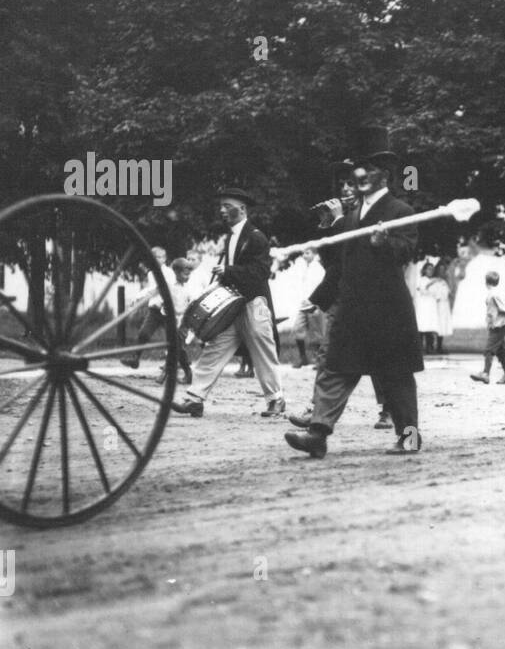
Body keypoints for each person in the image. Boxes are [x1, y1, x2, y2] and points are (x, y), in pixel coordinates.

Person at [284, 128, 424, 457]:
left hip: (388, 311)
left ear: (385, 175)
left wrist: (384, 242)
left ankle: (410, 437)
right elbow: (339, 267)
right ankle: (317, 435)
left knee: (397, 379)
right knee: (336, 371)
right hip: (352, 309)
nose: (359, 175)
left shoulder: (400, 211)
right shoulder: (348, 220)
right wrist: (316, 297)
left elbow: (406, 252)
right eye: (357, 169)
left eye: (368, 169)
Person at [170, 187, 286, 418]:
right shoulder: (232, 237)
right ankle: (194, 398)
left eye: (227, 206)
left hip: (254, 304)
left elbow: (261, 272)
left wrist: (228, 271)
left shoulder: (256, 237)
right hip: (233, 305)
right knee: (215, 348)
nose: (222, 210)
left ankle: (276, 400)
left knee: (263, 352)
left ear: (242, 209)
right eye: (221, 206)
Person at [121, 256, 195, 385]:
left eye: (189, 274)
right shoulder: (169, 285)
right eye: (184, 273)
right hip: (170, 319)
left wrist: (188, 324)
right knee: (174, 347)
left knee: (178, 347)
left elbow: (192, 307)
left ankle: (175, 372)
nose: (187, 276)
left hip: (182, 321)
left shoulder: (190, 290)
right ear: (176, 272)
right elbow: (153, 290)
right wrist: (138, 298)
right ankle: (179, 372)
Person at [470, 270, 505, 384]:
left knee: (489, 350)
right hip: (496, 326)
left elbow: (504, 309)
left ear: (486, 282)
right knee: (501, 351)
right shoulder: (494, 293)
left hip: (498, 327)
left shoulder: (494, 295)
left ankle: (485, 373)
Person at [289, 250, 326, 368]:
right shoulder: (304, 268)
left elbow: (319, 287)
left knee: (316, 332)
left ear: (315, 254)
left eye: (308, 253)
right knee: (297, 329)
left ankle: (318, 360)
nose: (304, 256)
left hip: (314, 304)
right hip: (303, 304)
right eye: (303, 253)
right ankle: (303, 357)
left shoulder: (319, 269)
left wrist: (316, 303)